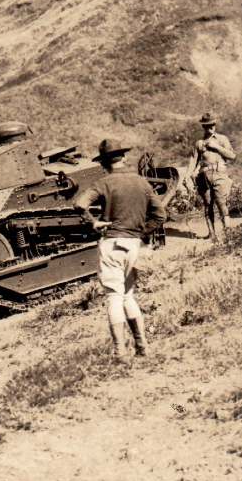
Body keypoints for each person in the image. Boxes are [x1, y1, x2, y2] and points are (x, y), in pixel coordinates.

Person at [74, 139, 167, 357]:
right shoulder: (142, 183)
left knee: (114, 298)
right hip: (133, 245)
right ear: (123, 157)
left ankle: (120, 350)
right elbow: (161, 215)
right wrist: (141, 233)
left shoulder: (103, 183)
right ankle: (142, 345)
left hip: (112, 243)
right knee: (128, 296)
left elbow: (79, 204)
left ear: (104, 163)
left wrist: (93, 222)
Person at [191, 112, 237, 242]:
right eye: (207, 126)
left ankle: (228, 233)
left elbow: (232, 156)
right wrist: (190, 174)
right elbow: (193, 160)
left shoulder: (222, 139)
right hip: (203, 176)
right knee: (207, 205)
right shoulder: (199, 143)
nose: (210, 128)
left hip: (219, 174)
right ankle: (212, 234)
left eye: (212, 125)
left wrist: (216, 147)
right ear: (203, 127)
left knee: (221, 203)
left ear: (215, 125)